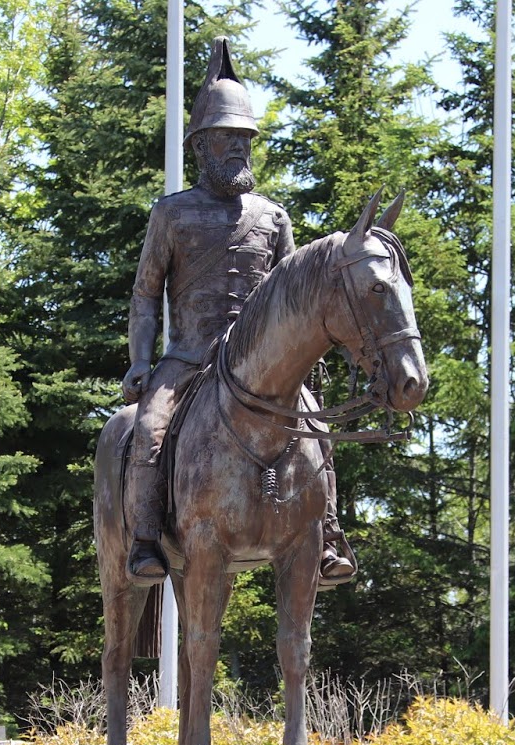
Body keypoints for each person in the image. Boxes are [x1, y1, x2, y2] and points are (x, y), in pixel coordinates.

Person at [122, 37, 356, 587]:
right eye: (227, 139)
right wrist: (140, 361)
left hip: (261, 364)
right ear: (201, 146)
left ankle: (329, 535)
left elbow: (296, 297)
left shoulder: (272, 217)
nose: (239, 150)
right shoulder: (171, 214)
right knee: (149, 431)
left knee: (315, 430)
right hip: (188, 358)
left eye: (245, 140)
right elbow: (144, 295)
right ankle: (145, 538)